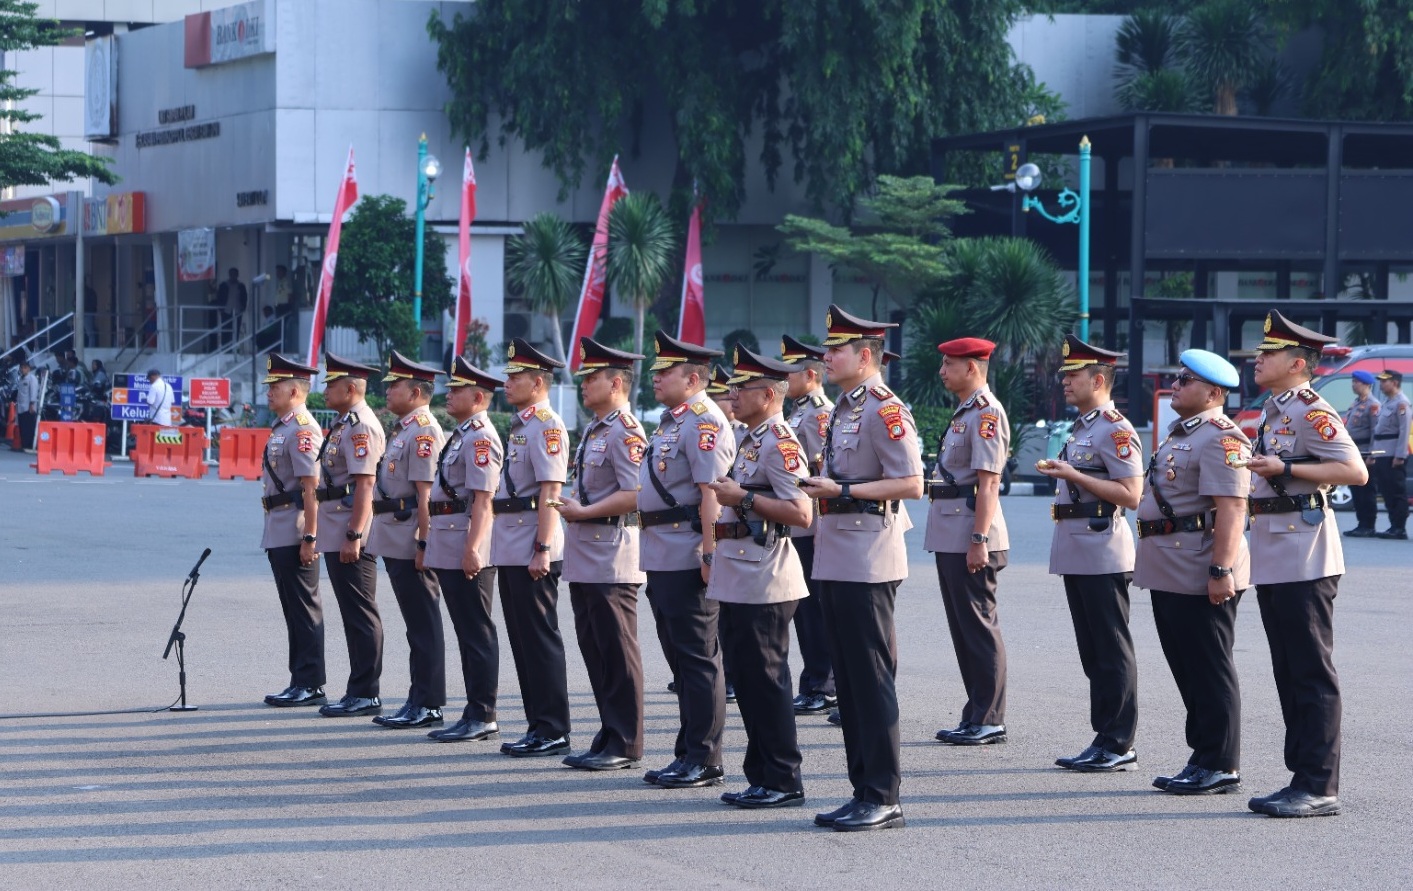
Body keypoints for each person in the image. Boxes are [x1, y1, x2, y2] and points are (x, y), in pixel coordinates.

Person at [800, 305, 923, 833]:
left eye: (836, 349)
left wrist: (843, 490)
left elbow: (911, 482)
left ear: (864, 356)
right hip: (838, 553)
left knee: (870, 680)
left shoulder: (883, 409)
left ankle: (883, 794)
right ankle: (861, 789)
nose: (826, 357)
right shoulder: (848, 408)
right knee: (848, 681)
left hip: (868, 556)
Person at [1244, 311, 1369, 818]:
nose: (1258, 358)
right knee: (1287, 669)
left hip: (1305, 551)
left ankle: (1320, 784)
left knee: (1310, 671)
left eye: (1268, 353)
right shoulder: (1277, 409)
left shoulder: (1312, 411)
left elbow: (1354, 470)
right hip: (1276, 550)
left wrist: (1288, 467)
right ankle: (1300, 776)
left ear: (1298, 363)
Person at [1134, 349, 1251, 797]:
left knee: (1208, 666)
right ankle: (1201, 757)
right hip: (1170, 566)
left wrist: (1221, 569)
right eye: (1178, 378)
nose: (1176, 385)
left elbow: (1232, 507)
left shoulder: (1222, 437)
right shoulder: (1183, 434)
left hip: (1201, 565)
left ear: (1213, 393)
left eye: (1186, 380)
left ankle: (1221, 763)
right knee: (1186, 666)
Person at [707, 346, 813, 809]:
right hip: (740, 573)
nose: (731, 394)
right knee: (748, 680)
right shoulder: (752, 437)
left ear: (768, 394)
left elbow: (801, 511)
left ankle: (783, 779)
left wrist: (743, 498)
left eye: (741, 388)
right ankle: (762, 775)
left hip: (765, 576)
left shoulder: (780, 441)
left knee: (767, 681)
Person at [1039, 336, 1144, 772]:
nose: (1064, 381)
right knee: (1092, 650)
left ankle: (1119, 743)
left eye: (1073, 375)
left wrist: (1071, 473)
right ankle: (1104, 736)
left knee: (1110, 648)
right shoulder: (1084, 426)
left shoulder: (1115, 428)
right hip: (1079, 547)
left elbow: (1131, 493)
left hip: (1103, 548)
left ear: (1098, 379)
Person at [638, 331, 735, 790]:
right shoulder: (672, 421)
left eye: (665, 372)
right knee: (681, 660)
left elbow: (710, 494)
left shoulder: (703, 421)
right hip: (663, 550)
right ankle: (687, 750)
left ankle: (705, 756)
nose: (655, 378)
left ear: (693, 378)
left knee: (698, 659)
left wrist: (710, 552)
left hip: (687, 550)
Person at [556, 337, 649, 771]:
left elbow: (634, 494)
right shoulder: (597, 429)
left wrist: (585, 511)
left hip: (611, 551)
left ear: (616, 383)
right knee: (594, 647)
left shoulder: (626, 430)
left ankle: (626, 739)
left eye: (591, 379)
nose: (583, 385)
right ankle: (609, 731)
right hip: (588, 550)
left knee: (617, 648)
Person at [927, 337, 1012, 746]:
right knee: (964, 628)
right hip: (953, 532)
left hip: (972, 534)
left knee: (978, 627)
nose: (942, 371)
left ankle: (990, 717)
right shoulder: (966, 412)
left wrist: (978, 538)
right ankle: (976, 712)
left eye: (949, 364)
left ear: (972, 368)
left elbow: (988, 481)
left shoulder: (986, 413)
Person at [492, 338, 573, 757]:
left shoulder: (546, 424)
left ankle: (553, 726)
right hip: (512, 542)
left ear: (537, 381)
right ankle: (537, 724)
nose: (507, 383)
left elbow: (550, 490)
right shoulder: (524, 423)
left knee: (539, 638)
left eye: (515, 377)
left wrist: (542, 546)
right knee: (522, 639)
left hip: (532, 543)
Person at [424, 356, 506, 743]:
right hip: (451, 538)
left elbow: (483, 500)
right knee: (466, 628)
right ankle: (473, 710)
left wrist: (474, 548)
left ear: (477, 397)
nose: (448, 395)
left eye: (456, 390)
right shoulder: (462, 434)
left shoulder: (480, 437)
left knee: (476, 629)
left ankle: (483, 712)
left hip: (466, 542)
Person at [366, 351, 448, 730]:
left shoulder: (424, 430)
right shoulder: (405, 428)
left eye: (394, 385)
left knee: (423, 622)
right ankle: (418, 698)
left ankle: (428, 702)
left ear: (415, 391)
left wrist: (423, 542)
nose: (387, 391)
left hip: (409, 534)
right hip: (395, 533)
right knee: (415, 623)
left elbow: (425, 494)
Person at [314, 353, 387, 718]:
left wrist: (355, 534)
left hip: (350, 528)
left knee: (360, 611)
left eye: (331, 384)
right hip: (337, 525)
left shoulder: (361, 425)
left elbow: (365, 484)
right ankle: (358, 688)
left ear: (351, 388)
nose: (325, 390)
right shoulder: (346, 422)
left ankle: (365, 691)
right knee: (351, 610)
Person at [259, 354, 327, 709]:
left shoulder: (301, 428)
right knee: (292, 607)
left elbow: (310, 487)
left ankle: (311, 681)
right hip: (279, 525)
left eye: (275, 387)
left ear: (296, 390)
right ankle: (299, 678)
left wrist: (311, 536)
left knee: (304, 607)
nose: (269, 392)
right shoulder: (284, 426)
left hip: (295, 527)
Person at [780, 334, 837, 718]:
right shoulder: (799, 410)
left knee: (816, 608)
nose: (784, 381)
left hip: (813, 522)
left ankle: (824, 684)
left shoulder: (818, 413)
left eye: (791, 373)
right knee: (805, 608)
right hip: (799, 524)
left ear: (811, 375)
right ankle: (815, 680)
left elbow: (821, 471)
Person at [704, 363, 741, 706]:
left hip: (736, 529)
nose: (719, 405)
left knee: (728, 611)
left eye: (722, 398)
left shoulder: (743, 433)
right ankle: (723, 673)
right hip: (722, 529)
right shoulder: (711, 430)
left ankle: (729, 675)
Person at [1370, 371, 1410, 540]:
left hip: (1393, 452)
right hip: (1381, 451)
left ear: (1394, 383)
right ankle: (1393, 525)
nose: (1381, 384)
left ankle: (1399, 528)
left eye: (1384, 381)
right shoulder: (1388, 402)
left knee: (1396, 491)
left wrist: (1400, 455)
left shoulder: (1402, 403)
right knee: (1386, 491)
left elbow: (1404, 431)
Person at [1342, 370, 1380, 537]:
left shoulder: (1373, 405)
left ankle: (1368, 525)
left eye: (1356, 382)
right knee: (1357, 490)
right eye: (1353, 382)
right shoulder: (1356, 403)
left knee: (1367, 491)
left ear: (1366, 384)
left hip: (1365, 452)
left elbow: (1375, 432)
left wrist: (1372, 454)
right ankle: (1361, 523)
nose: (1353, 385)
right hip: (1354, 452)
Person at [217, 268, 248, 344]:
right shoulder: (223, 285)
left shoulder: (241, 286)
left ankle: (234, 347)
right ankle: (225, 349)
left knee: (236, 330)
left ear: (237, 275)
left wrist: (243, 308)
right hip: (226, 311)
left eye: (235, 274)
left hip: (237, 311)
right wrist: (220, 308)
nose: (233, 276)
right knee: (225, 330)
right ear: (229, 274)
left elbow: (244, 297)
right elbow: (219, 296)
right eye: (231, 274)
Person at [15, 358, 39, 451]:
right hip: (21, 407)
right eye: (21, 367)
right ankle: (24, 444)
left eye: (25, 367)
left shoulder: (32, 379)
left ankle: (29, 445)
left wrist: (32, 404)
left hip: (28, 407)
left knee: (29, 427)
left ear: (29, 368)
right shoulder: (21, 379)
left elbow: (33, 392)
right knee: (23, 427)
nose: (22, 369)